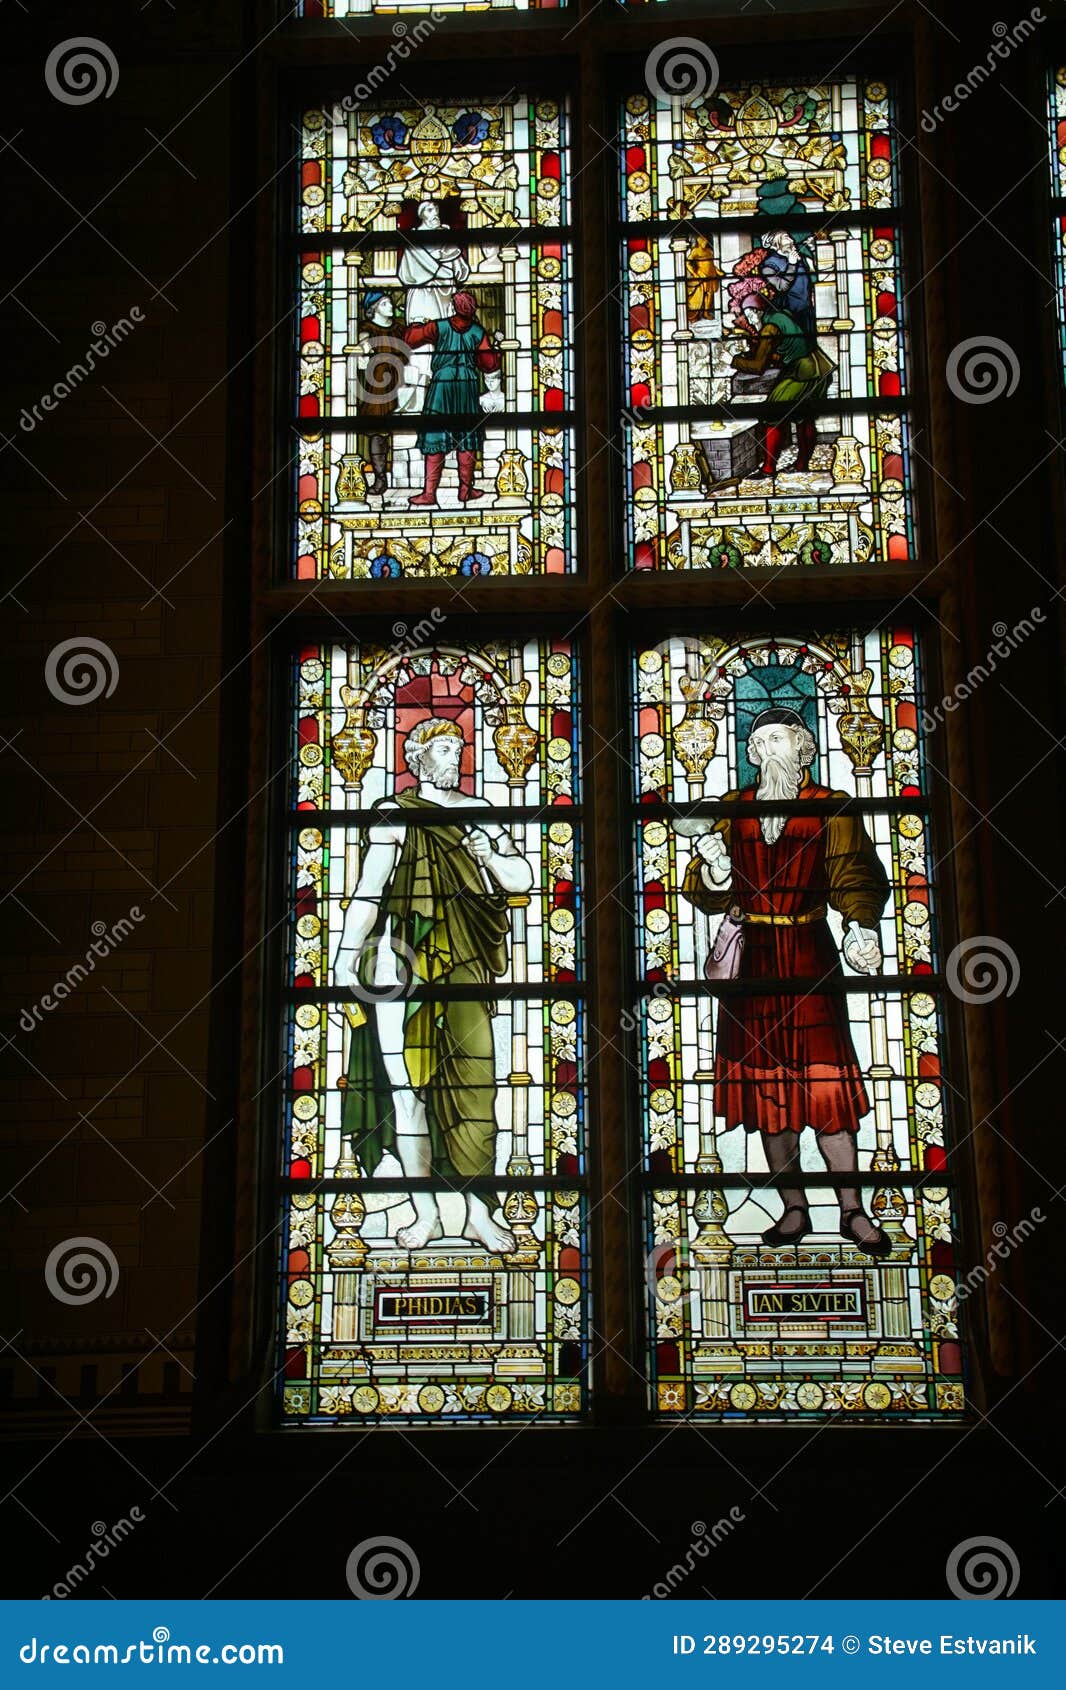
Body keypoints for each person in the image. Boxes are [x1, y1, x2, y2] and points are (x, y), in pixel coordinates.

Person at [680, 707, 892, 1257]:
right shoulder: (733, 810)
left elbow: (855, 874)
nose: (766, 748)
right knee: (767, 1092)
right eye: (759, 741)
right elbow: (703, 894)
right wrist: (715, 871)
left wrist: (862, 925)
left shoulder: (831, 809)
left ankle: (852, 1209)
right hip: (754, 962)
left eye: (779, 738)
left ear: (803, 747)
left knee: (829, 1093)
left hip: (811, 956)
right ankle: (793, 1207)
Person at [333, 718, 532, 1253]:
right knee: (409, 1093)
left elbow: (521, 881)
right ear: (418, 757)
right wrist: (344, 958)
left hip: (466, 966)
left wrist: (489, 854)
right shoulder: (395, 818)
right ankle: (425, 1211)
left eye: (460, 746)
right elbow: (369, 894)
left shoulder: (482, 815)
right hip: (401, 966)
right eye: (446, 747)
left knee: (475, 1088)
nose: (457, 755)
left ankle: (477, 1210)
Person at [403, 289, 502, 507]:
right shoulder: (477, 331)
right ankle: (465, 490)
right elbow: (489, 364)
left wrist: (416, 325)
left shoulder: (439, 326)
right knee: (467, 437)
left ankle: (429, 494)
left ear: (454, 307)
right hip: (466, 384)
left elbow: (410, 339)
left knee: (435, 436)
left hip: (442, 384)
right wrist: (495, 352)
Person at [732, 279, 835, 477]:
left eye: (748, 314)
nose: (748, 319)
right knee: (805, 417)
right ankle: (802, 464)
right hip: (820, 367)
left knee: (774, 413)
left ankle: (769, 468)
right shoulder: (782, 316)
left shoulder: (769, 329)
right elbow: (789, 346)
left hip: (803, 372)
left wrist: (734, 360)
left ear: (755, 312)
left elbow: (757, 367)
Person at [352, 291, 404, 495]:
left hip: (403, 382)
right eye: (384, 304)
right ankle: (381, 478)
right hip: (378, 386)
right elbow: (362, 352)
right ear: (373, 309)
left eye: (390, 303)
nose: (390, 307)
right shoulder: (367, 330)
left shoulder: (400, 327)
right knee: (377, 430)